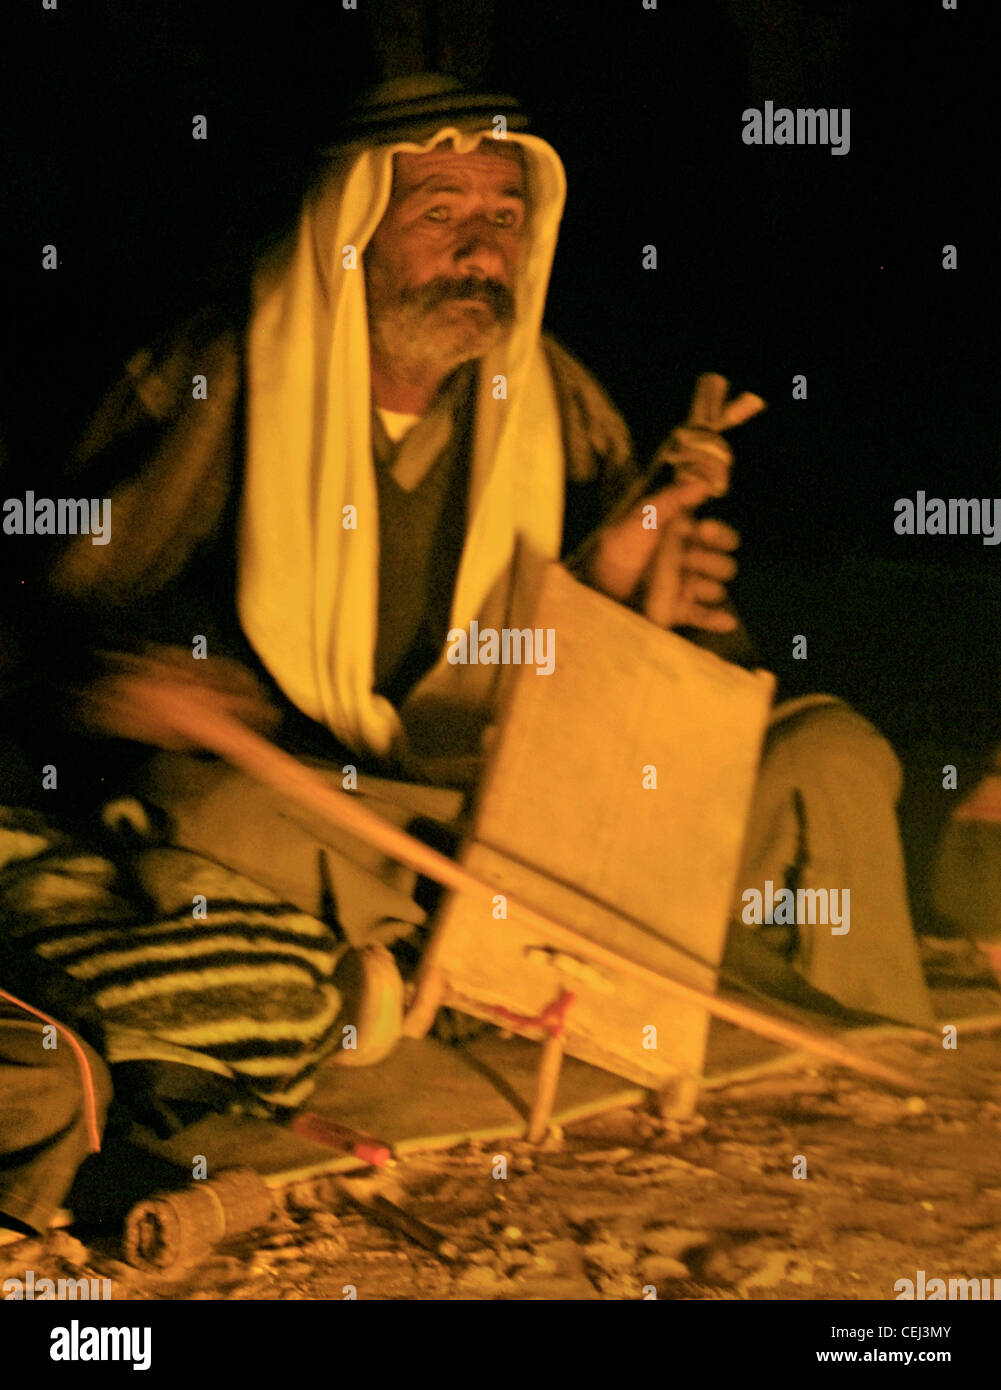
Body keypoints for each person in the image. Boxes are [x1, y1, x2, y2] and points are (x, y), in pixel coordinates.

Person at [0, 74, 934, 1237]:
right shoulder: (216, 375)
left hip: (549, 814)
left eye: (502, 215)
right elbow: (51, 618)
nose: (479, 247)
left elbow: (636, 663)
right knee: (214, 816)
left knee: (827, 750)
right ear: (350, 230)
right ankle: (437, 991)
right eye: (440, 211)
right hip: (350, 818)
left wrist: (691, 615)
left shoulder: (558, 399)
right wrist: (126, 686)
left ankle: (872, 1083)